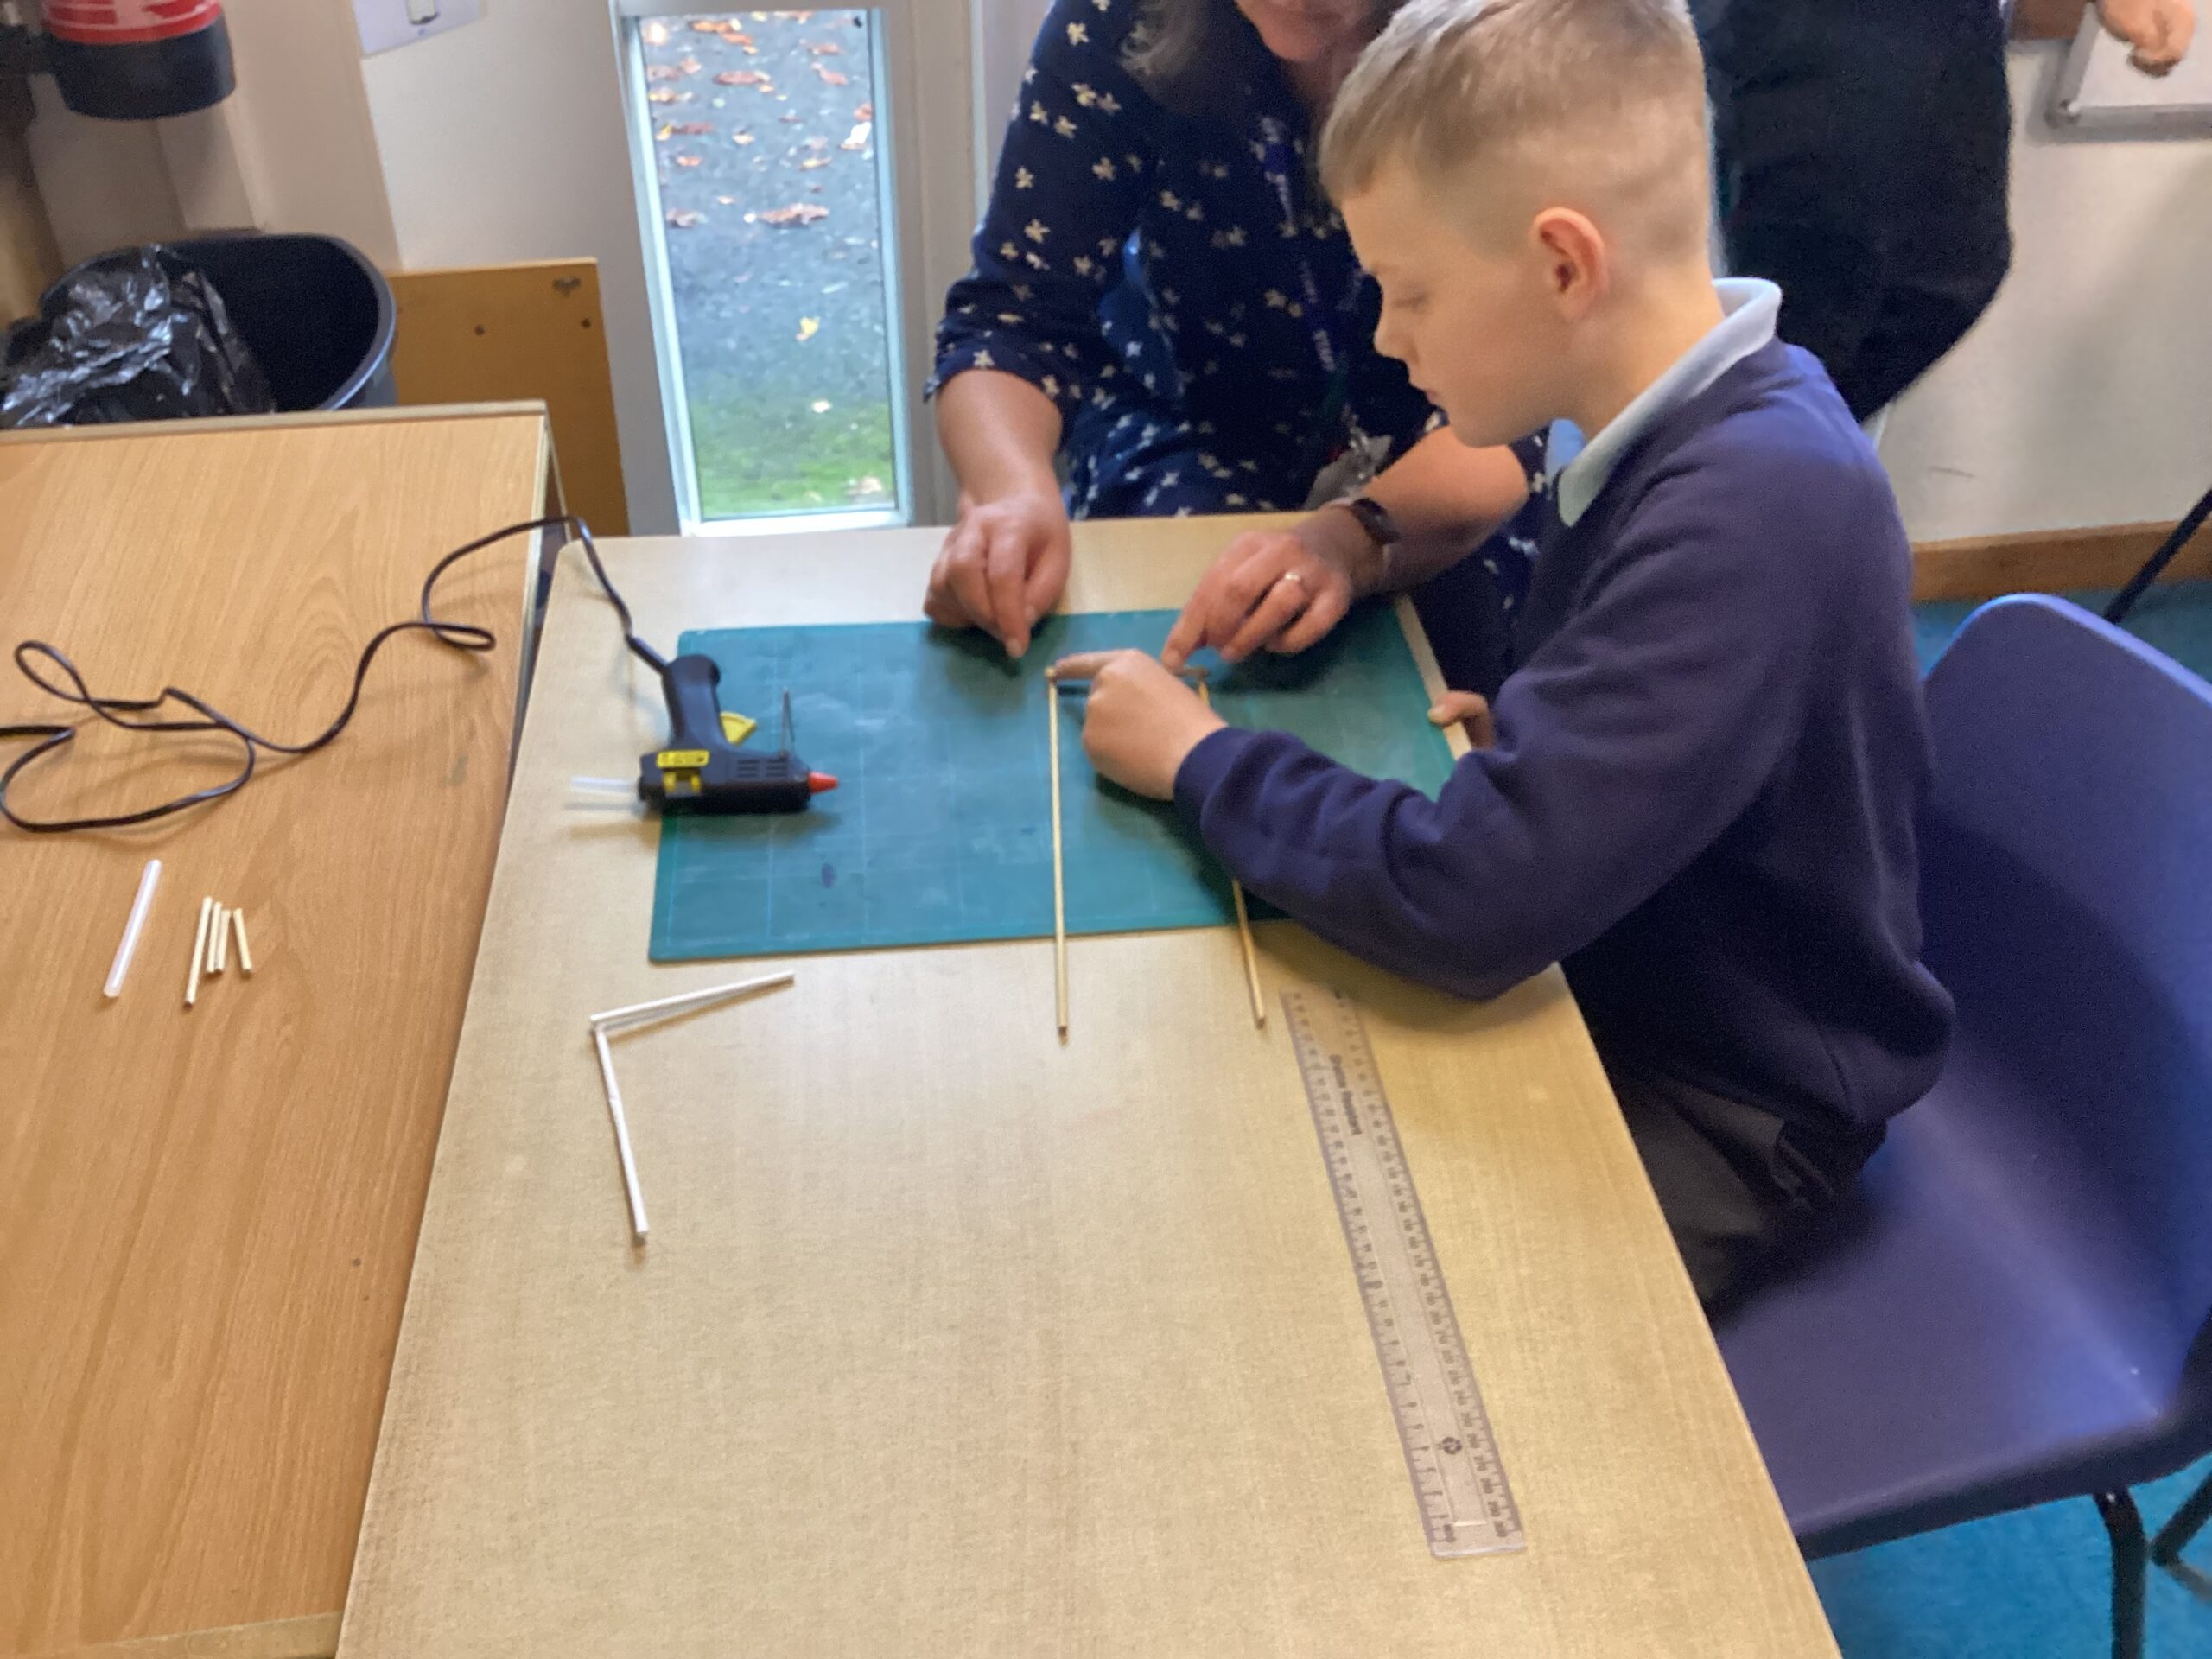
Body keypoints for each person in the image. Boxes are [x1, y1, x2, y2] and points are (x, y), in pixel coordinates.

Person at [1058, 0, 1954, 1311]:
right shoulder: (1677, 431)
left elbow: (1470, 903)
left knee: (1341, 1302)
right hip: (1619, 966)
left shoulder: (1753, 503)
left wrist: (1202, 761)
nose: (1386, 337)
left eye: (1409, 290)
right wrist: (1542, 741)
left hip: (1734, 1105)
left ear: (1562, 266)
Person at [923, 0, 1546, 671]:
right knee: (1186, 663)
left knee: (1463, 684)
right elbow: (1015, 315)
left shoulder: (1526, 39)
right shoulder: (1113, 18)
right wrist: (1010, 490)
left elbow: (1520, 409)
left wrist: (1351, 539)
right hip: (1182, 432)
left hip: (1441, 475)